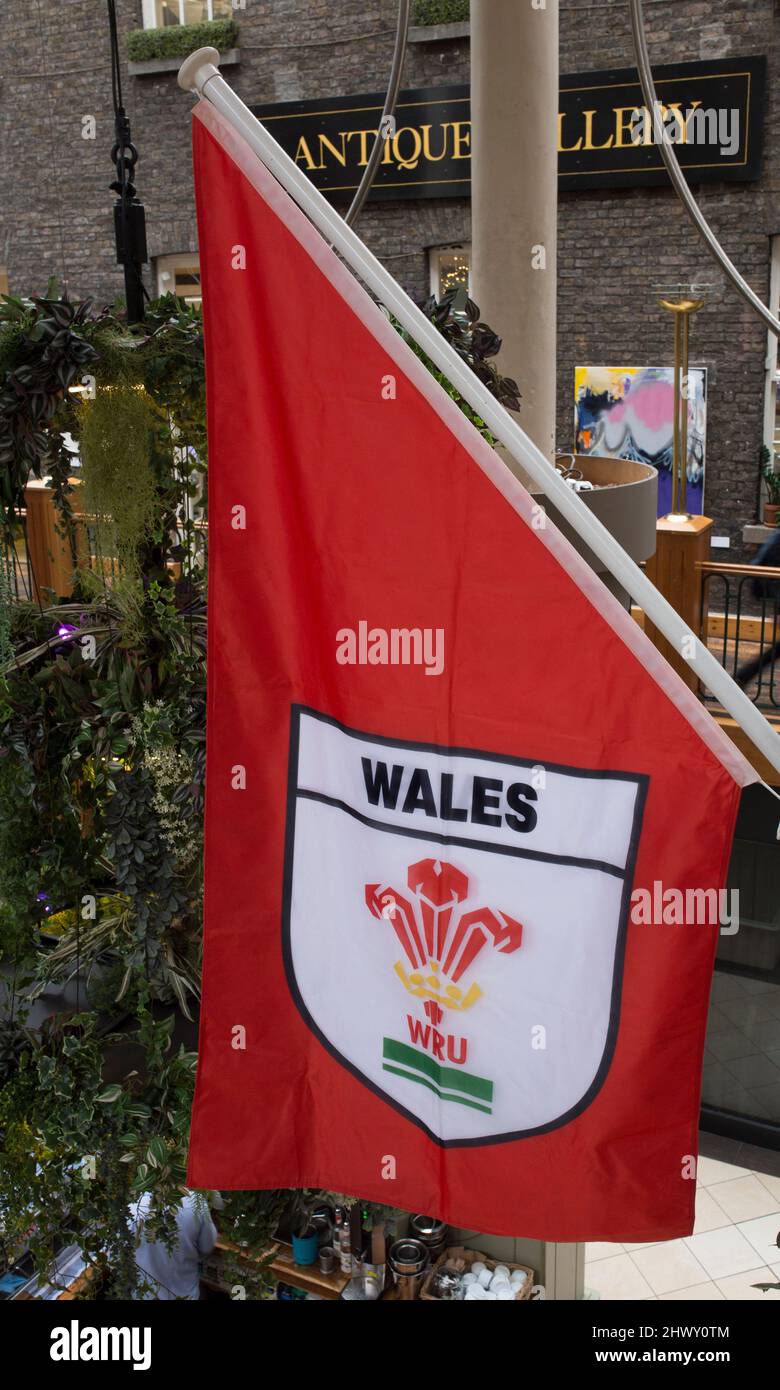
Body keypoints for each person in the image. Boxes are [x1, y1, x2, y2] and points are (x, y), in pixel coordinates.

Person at [128, 1190, 217, 1300]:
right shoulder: (195, 1203)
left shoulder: (131, 1209)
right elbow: (207, 1246)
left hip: (144, 1295)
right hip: (185, 1294)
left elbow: (115, 1258)